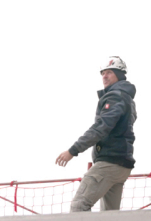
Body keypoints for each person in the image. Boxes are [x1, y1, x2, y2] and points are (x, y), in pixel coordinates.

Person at [56, 56, 138, 212]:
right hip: (122, 164)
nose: (104, 76)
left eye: (109, 72)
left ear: (119, 75)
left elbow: (101, 127)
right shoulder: (126, 98)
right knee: (109, 215)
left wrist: (73, 150)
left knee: (79, 206)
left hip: (109, 162)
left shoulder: (115, 96)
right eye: (102, 73)